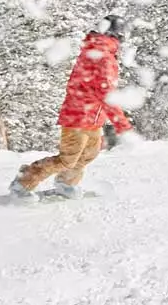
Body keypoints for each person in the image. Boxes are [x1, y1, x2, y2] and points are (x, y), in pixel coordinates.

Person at [9, 16, 138, 200]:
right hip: (79, 116)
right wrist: (122, 125)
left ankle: (66, 183)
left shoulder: (100, 51)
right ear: (117, 36)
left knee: (88, 154)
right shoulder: (102, 55)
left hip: (92, 117)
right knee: (67, 159)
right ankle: (23, 183)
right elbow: (106, 94)